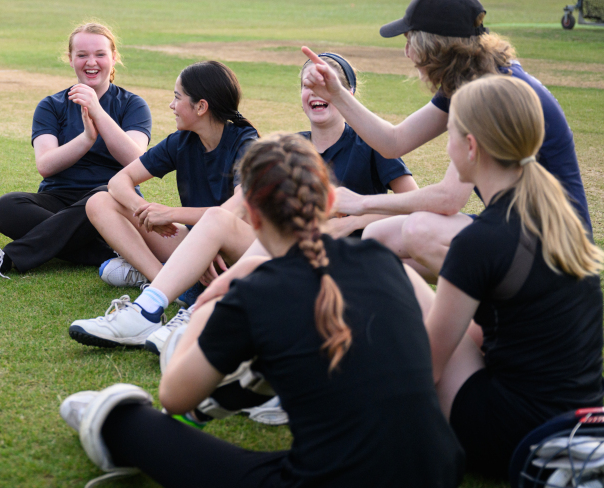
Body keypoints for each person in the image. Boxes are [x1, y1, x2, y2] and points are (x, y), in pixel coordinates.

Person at [58, 133, 464, 488]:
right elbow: (431, 347)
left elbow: (174, 396)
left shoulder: (254, 292)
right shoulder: (382, 259)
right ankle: (253, 389)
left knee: (128, 420)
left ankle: (122, 416)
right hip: (440, 469)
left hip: (333, 479)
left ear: (251, 214)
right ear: (328, 200)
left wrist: (213, 298)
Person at [138, 52, 419, 359]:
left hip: (343, 262)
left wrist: (353, 220)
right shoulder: (290, 147)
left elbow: (412, 204)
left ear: (347, 93)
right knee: (222, 221)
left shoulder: (372, 144)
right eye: (307, 85)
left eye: (326, 82)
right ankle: (161, 311)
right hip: (285, 257)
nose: (315, 92)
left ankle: (196, 312)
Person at [301, 0, 591, 279]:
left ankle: (501, 307)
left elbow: (448, 199)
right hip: (512, 227)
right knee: (376, 240)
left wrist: (360, 204)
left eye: (409, 40)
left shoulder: (489, 92)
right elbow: (393, 142)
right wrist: (336, 94)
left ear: (432, 46)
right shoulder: (472, 79)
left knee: (418, 230)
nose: (406, 52)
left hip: (554, 242)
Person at [413, 75, 604, 479]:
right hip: (577, 424)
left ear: (471, 146)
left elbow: (427, 368)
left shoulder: (482, 240)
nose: (447, 147)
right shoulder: (557, 214)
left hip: (511, 437)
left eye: (449, 135)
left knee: (396, 276)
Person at [68, 61, 257, 348]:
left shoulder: (246, 141)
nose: (171, 105)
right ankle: (166, 283)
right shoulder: (181, 142)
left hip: (242, 250)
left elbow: (241, 206)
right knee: (99, 202)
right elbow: (119, 181)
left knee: (217, 223)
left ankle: (168, 287)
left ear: (201, 107)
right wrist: (143, 211)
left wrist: (170, 213)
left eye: (178, 97)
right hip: (194, 243)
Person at [0, 22, 151, 278]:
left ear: (114, 58)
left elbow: (136, 160)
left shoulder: (133, 104)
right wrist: (86, 139)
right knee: (6, 207)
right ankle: (111, 251)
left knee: (106, 193)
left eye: (100, 54)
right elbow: (46, 165)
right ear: (70, 59)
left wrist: (98, 112)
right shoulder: (51, 105)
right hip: (58, 200)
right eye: (82, 55)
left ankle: (7, 259)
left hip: (113, 200)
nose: (91, 62)